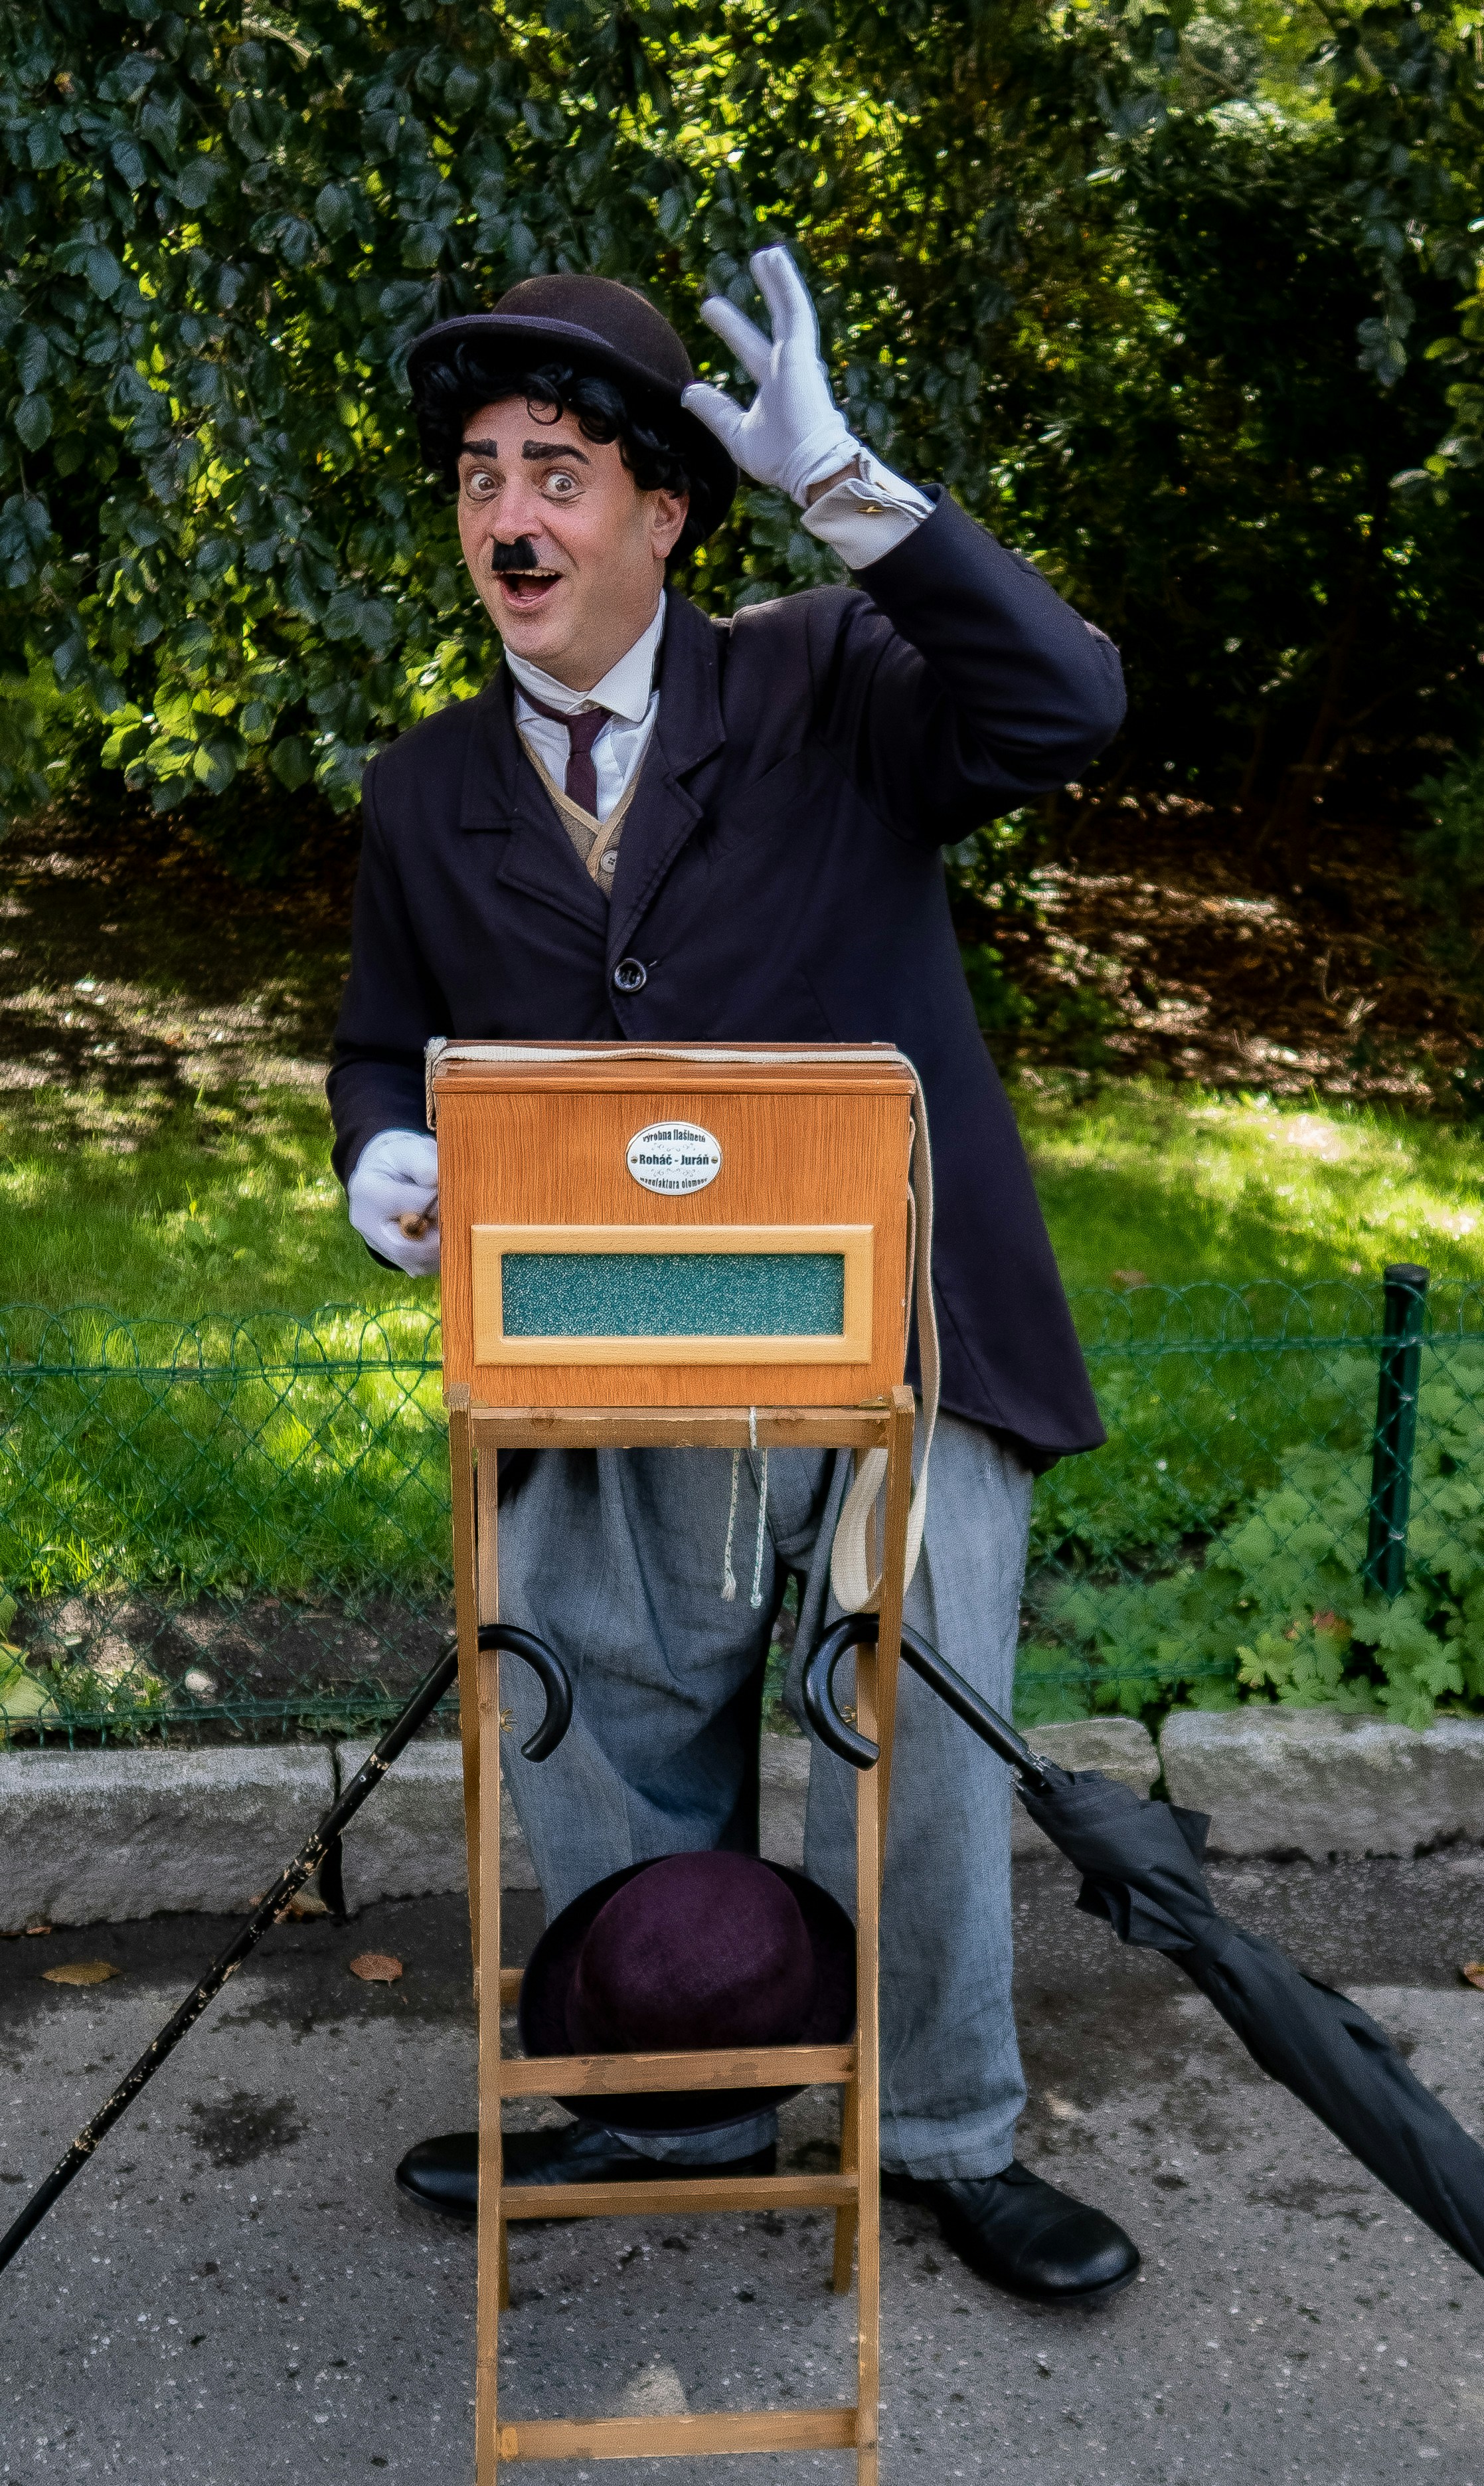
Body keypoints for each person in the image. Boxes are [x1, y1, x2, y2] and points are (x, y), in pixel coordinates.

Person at [327, 246, 1138, 2307]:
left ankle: (947, 2134)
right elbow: (375, 1046)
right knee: (584, 1705)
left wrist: (852, 484)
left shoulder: (832, 674)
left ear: (667, 512)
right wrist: (384, 1157)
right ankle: (669, 2089)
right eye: (483, 474)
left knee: (915, 1730)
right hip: (606, 1355)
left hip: (902, 1336)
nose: (510, 513)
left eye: (564, 472)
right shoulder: (424, 788)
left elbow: (1063, 699)